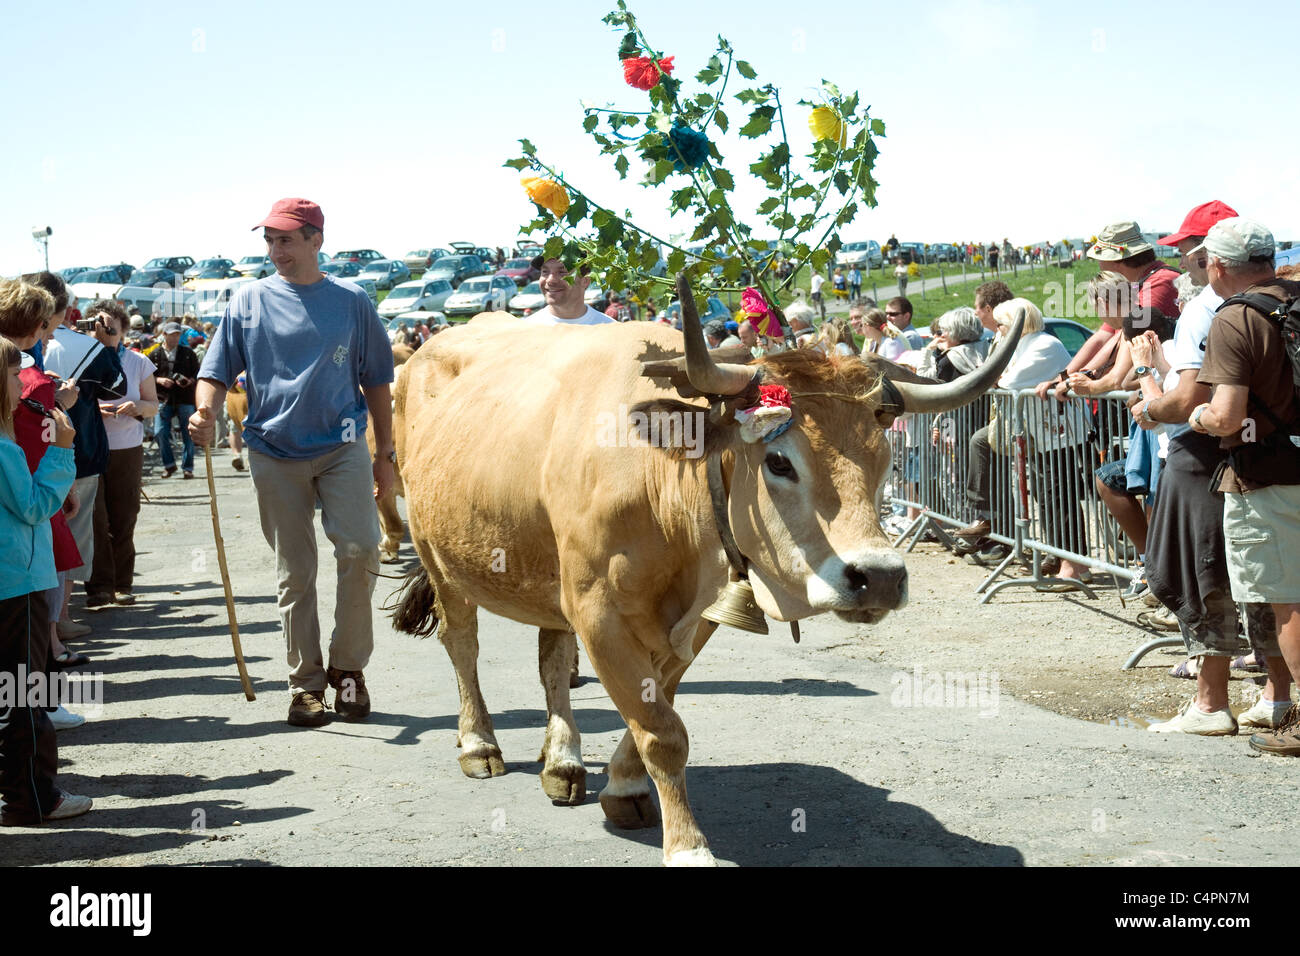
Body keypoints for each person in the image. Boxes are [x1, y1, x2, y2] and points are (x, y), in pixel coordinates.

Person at [189, 197, 396, 728]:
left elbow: (377, 380)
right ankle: (306, 685)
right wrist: (205, 411)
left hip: (343, 446)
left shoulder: (352, 301)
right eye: (269, 240)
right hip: (273, 451)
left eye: (285, 239)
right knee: (296, 571)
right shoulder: (247, 301)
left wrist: (385, 456)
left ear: (315, 241)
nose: (275, 249)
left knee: (360, 550)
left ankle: (348, 670)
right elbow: (214, 371)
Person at [1186, 218, 1300, 747]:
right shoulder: (1296, 297)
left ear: (1219, 265)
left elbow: (1228, 416)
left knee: (1287, 601)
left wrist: (1201, 417)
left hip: (1268, 476)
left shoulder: (1236, 319)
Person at [0, 323, 91, 825]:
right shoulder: (3, 448)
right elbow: (35, 507)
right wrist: (61, 452)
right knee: (25, 694)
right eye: (16, 376)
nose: (24, 385)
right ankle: (34, 797)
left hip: (11, 581)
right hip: (18, 584)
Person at [42, 296, 124, 613]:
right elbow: (116, 387)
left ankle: (49, 622)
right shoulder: (87, 346)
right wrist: (108, 342)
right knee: (73, 536)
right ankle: (60, 617)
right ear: (64, 310)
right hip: (78, 452)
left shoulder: (21, 347)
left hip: (31, 452)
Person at [87, 301, 158, 607]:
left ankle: (122, 583)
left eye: (112, 324)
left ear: (123, 328)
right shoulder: (83, 359)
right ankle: (99, 585)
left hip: (127, 449)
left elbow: (152, 405)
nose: (106, 330)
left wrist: (136, 407)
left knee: (124, 516)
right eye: (100, 324)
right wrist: (93, 409)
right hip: (90, 447)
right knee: (95, 518)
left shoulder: (138, 362)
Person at [152, 321, 200, 479]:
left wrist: (189, 381)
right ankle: (169, 464)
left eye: (178, 334)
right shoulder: (155, 354)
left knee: (188, 433)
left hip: (185, 397)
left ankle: (188, 467)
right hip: (162, 398)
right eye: (172, 334)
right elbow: (145, 376)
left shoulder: (188, 353)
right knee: (159, 431)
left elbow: (198, 374)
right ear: (164, 335)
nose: (175, 337)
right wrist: (159, 380)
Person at [520, 256, 614, 326]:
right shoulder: (528, 329)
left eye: (562, 272)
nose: (550, 280)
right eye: (545, 272)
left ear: (585, 281)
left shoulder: (609, 330)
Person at [877, 297, 924, 362]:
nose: (887, 317)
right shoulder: (893, 336)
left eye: (892, 314)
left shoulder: (910, 337)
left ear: (906, 316)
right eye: (886, 314)